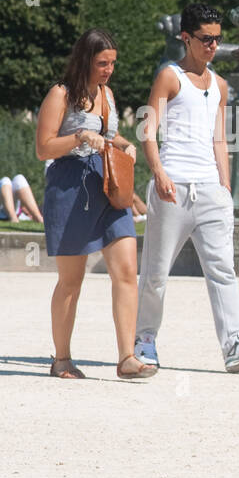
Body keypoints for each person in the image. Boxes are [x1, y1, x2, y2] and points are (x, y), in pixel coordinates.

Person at [134, 2, 239, 373]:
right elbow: (148, 130)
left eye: (217, 39)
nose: (213, 46)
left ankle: (234, 344)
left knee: (222, 269)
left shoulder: (221, 86)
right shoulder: (169, 76)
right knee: (156, 272)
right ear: (186, 38)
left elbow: (219, 141)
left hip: (211, 191)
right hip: (173, 187)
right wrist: (159, 173)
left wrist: (224, 185)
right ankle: (144, 341)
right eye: (205, 39)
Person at [34, 28, 155, 380]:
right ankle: (62, 359)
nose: (109, 70)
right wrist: (78, 137)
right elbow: (43, 148)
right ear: (85, 60)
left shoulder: (107, 93)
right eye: (103, 63)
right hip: (70, 189)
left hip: (107, 187)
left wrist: (124, 143)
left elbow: (108, 133)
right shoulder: (61, 94)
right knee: (71, 281)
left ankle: (127, 358)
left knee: (127, 271)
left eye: (113, 63)